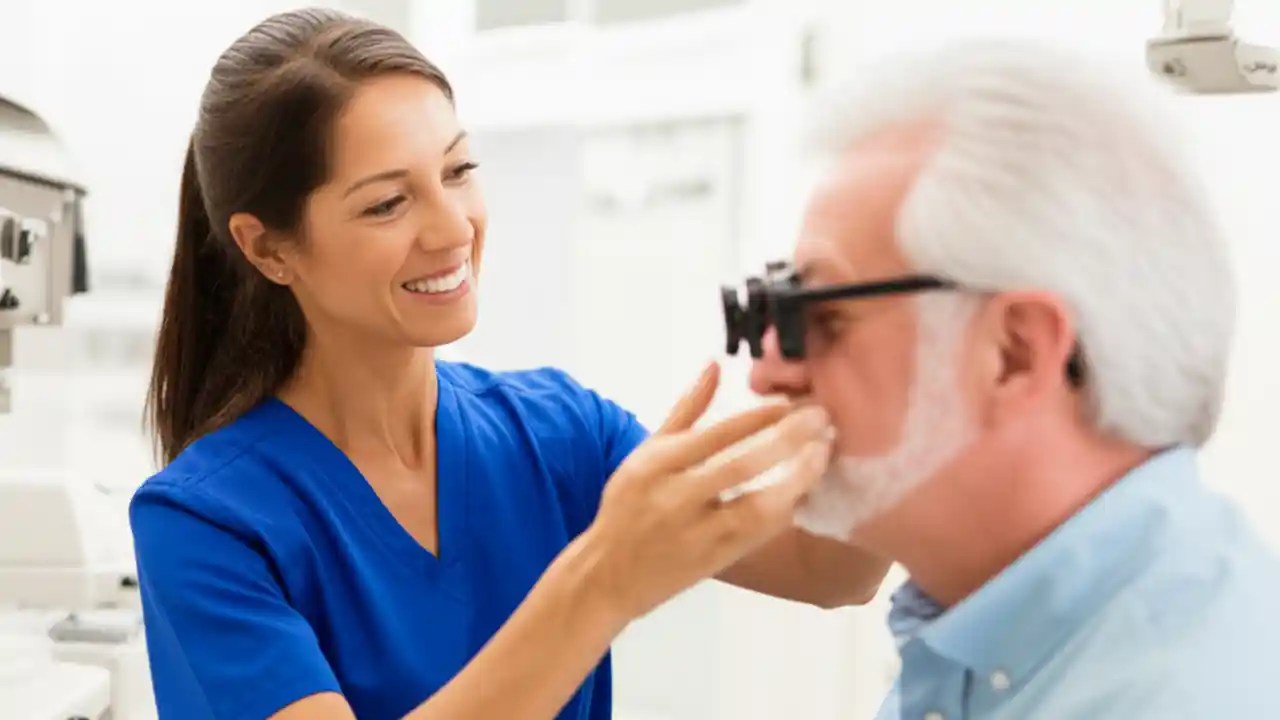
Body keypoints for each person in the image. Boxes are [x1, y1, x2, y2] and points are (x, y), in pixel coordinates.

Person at [129, 8, 892, 720]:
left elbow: (834, 573)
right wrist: (602, 580)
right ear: (268, 247)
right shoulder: (204, 524)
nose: (453, 226)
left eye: (458, 171)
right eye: (388, 203)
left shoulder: (559, 435)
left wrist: (897, 372)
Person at [747, 39, 1280, 719]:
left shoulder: (1185, 695)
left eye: (819, 315)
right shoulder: (1000, 647)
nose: (768, 373)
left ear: (1016, 353)